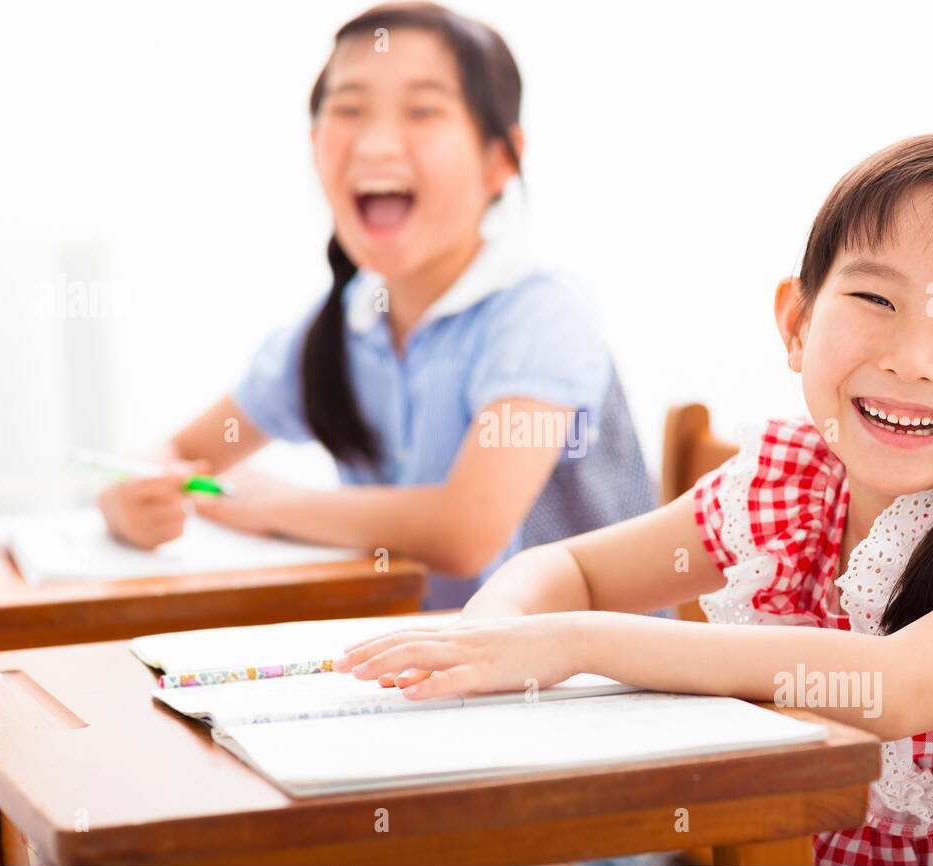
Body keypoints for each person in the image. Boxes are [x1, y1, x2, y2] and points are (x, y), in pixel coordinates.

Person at [337, 133, 933, 866]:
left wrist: (576, 643)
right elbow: (573, 569)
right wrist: (489, 644)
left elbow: (895, 688)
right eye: (876, 299)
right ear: (796, 322)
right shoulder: (788, 487)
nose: (913, 359)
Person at [99, 3, 654, 612]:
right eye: (349, 109)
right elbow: (173, 454)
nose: (377, 141)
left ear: (500, 159)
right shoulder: (340, 326)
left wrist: (273, 506)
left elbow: (467, 531)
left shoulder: (541, 314)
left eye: (423, 110)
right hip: (416, 673)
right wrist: (130, 497)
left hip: (580, 687)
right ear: (315, 147)